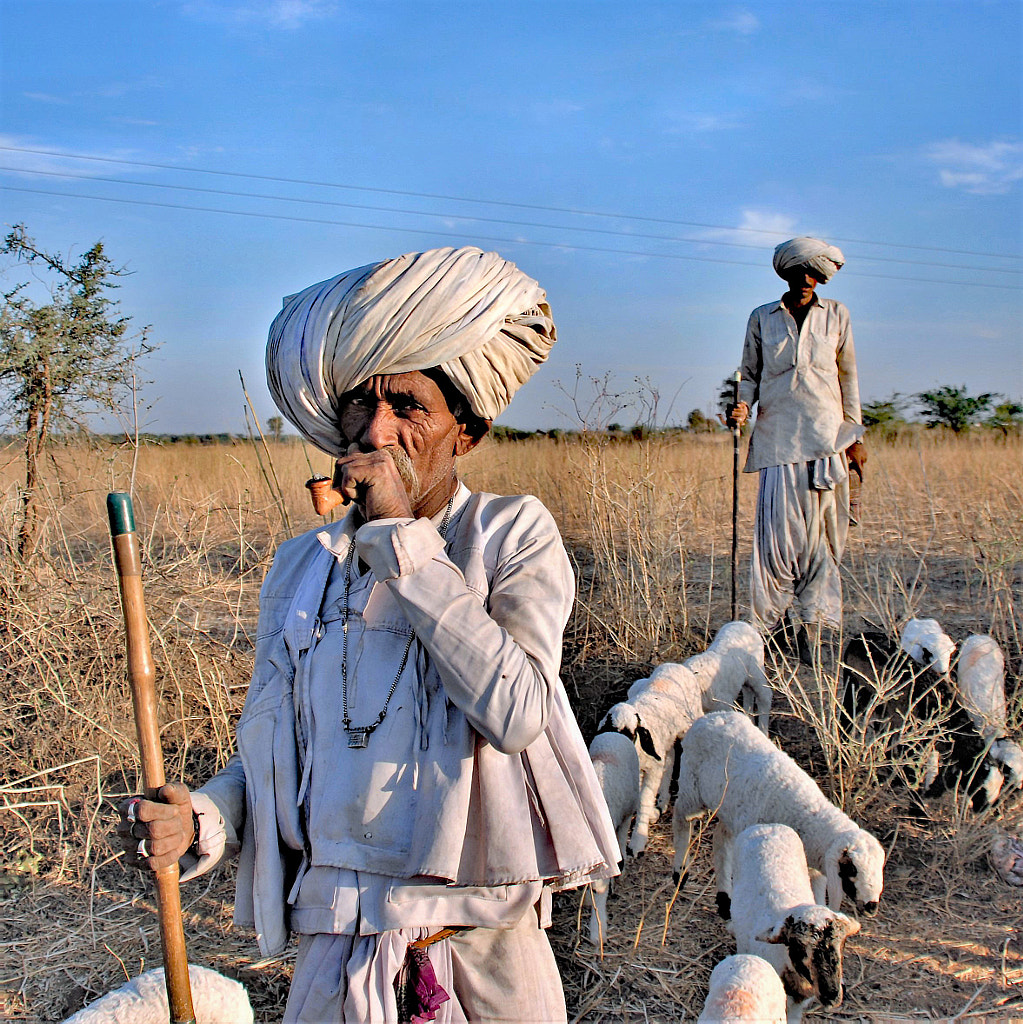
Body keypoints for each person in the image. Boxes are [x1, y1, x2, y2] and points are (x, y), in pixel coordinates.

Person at [117, 246, 619, 1023]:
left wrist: (398, 535)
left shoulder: (509, 533)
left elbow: (516, 712)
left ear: (467, 432)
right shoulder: (303, 565)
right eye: (360, 406)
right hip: (338, 936)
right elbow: (274, 746)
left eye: (409, 408)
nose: (377, 431)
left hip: (478, 939)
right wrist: (203, 817)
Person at [727, 237, 865, 659]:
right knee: (776, 542)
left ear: (820, 277)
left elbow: (849, 377)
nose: (806, 279)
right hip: (777, 440)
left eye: (813, 273)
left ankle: (818, 631)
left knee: (821, 540)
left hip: (827, 438)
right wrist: (742, 406)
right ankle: (761, 633)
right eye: (798, 272)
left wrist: (856, 437)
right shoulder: (762, 317)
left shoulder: (837, 315)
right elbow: (748, 373)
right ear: (785, 274)